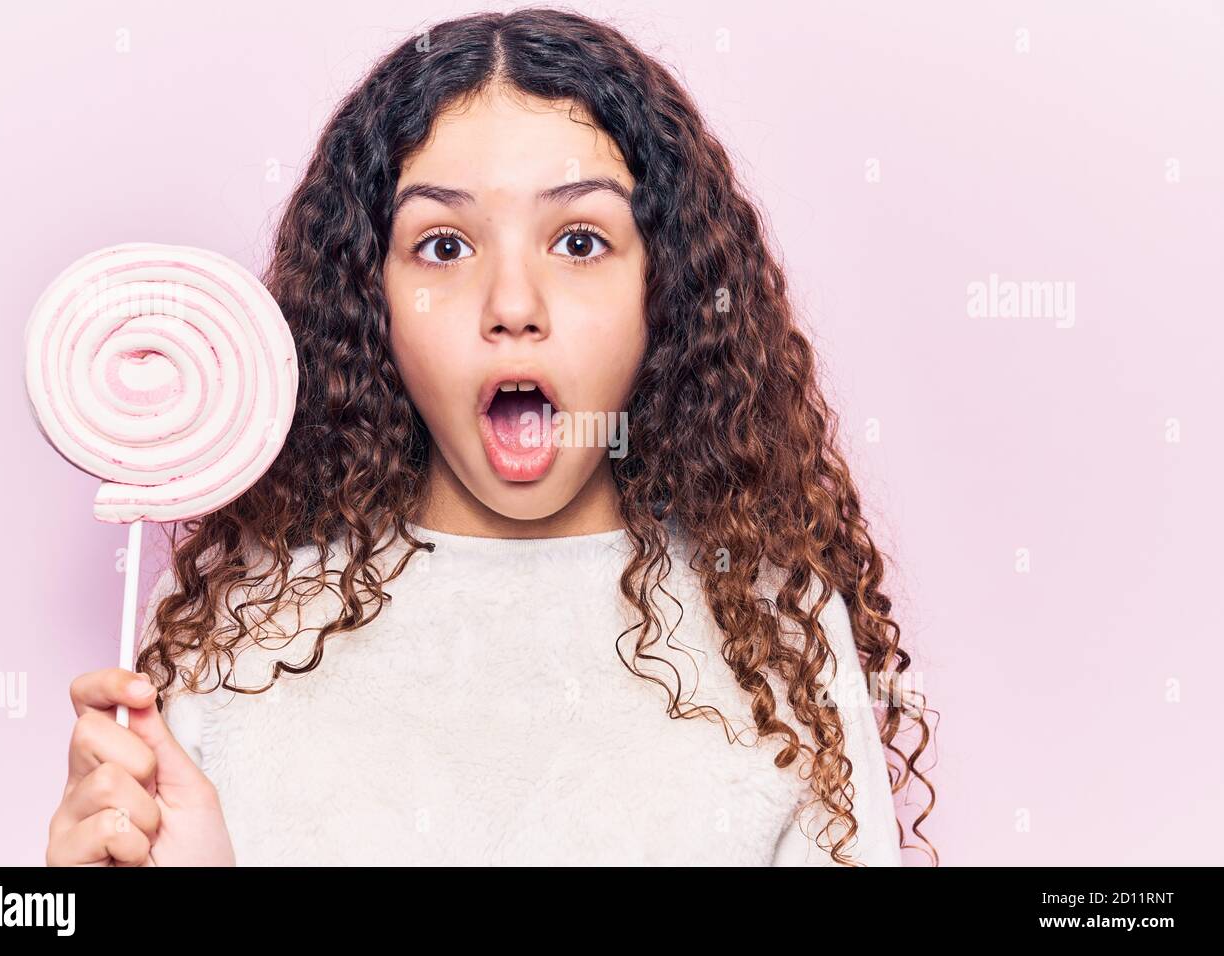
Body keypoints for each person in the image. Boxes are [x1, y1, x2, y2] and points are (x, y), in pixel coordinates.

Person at [46, 7, 936, 867]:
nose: (513, 306)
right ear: (372, 299)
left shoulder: (774, 625)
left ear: (662, 289)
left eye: (580, 241)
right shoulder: (235, 625)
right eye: (443, 247)